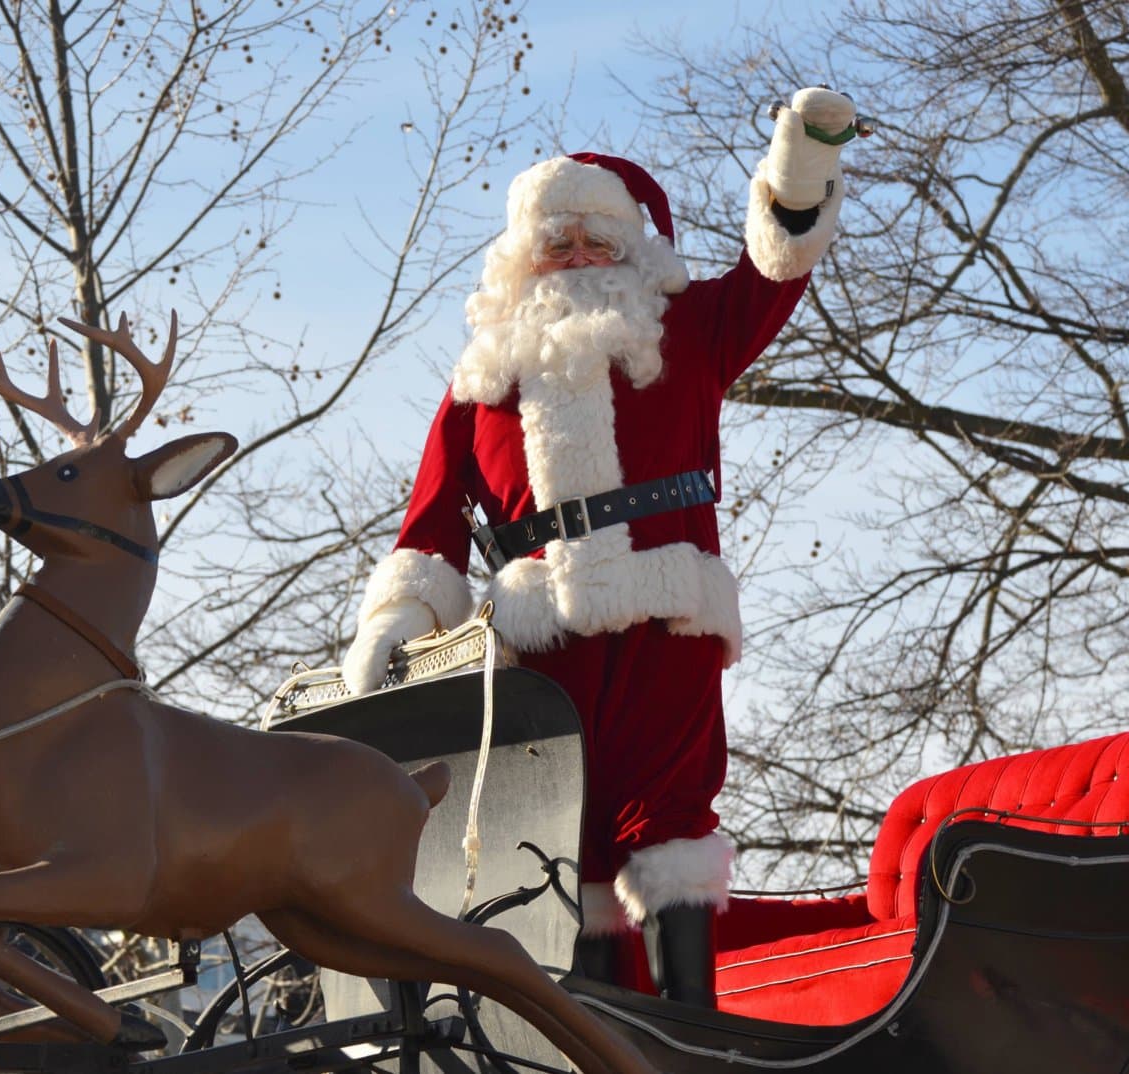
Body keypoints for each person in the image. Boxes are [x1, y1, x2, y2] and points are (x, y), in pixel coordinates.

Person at [342, 87, 857, 1006]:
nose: (577, 261)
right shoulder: (478, 388)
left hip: (667, 613)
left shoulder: (693, 332)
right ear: (523, 265)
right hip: (537, 639)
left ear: (635, 251)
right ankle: (578, 1031)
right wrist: (397, 621)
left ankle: (689, 1027)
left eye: (597, 243)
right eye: (557, 246)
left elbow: (773, 271)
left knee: (668, 822)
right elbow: (427, 525)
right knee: (553, 834)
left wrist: (800, 166)